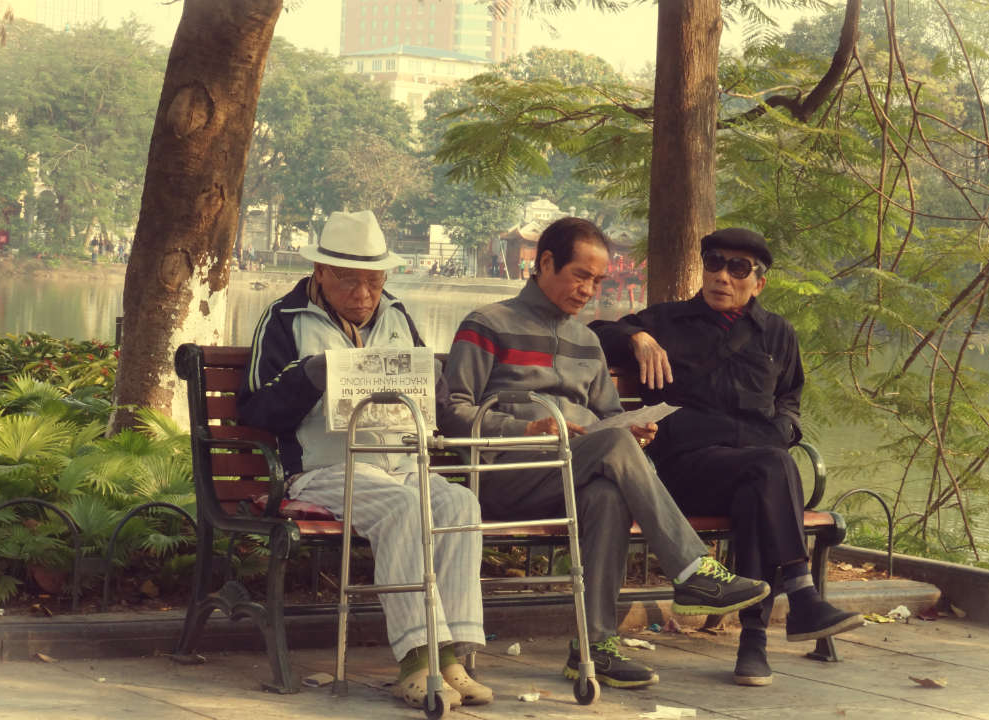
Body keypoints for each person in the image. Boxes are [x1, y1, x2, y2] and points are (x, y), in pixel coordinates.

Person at [441, 217, 770, 690]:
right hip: (505, 474)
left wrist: (634, 431)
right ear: (545, 263)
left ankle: (592, 648)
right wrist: (525, 426)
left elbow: (610, 416)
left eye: (598, 281)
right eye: (581, 276)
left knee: (608, 494)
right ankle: (694, 570)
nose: (589, 291)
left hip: (572, 474)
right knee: (611, 450)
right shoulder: (487, 324)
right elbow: (452, 413)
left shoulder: (586, 341)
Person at [238, 210, 493, 709]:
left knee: (459, 505)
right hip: (321, 472)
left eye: (373, 282)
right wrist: (308, 375)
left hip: (400, 464)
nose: (363, 296)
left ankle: (451, 657)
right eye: (349, 282)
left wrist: (430, 383)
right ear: (321, 274)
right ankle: (417, 660)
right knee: (400, 510)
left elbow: (436, 401)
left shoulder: (396, 315)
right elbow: (255, 407)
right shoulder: (285, 319)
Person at [591, 228, 864, 687]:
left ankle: (754, 642)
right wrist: (637, 336)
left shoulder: (777, 333)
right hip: (681, 471)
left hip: (751, 469)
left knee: (761, 482)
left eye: (738, 269)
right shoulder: (668, 321)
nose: (722, 276)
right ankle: (799, 598)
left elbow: (790, 397)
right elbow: (596, 333)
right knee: (771, 471)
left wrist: (785, 430)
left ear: (759, 282)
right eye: (714, 263)